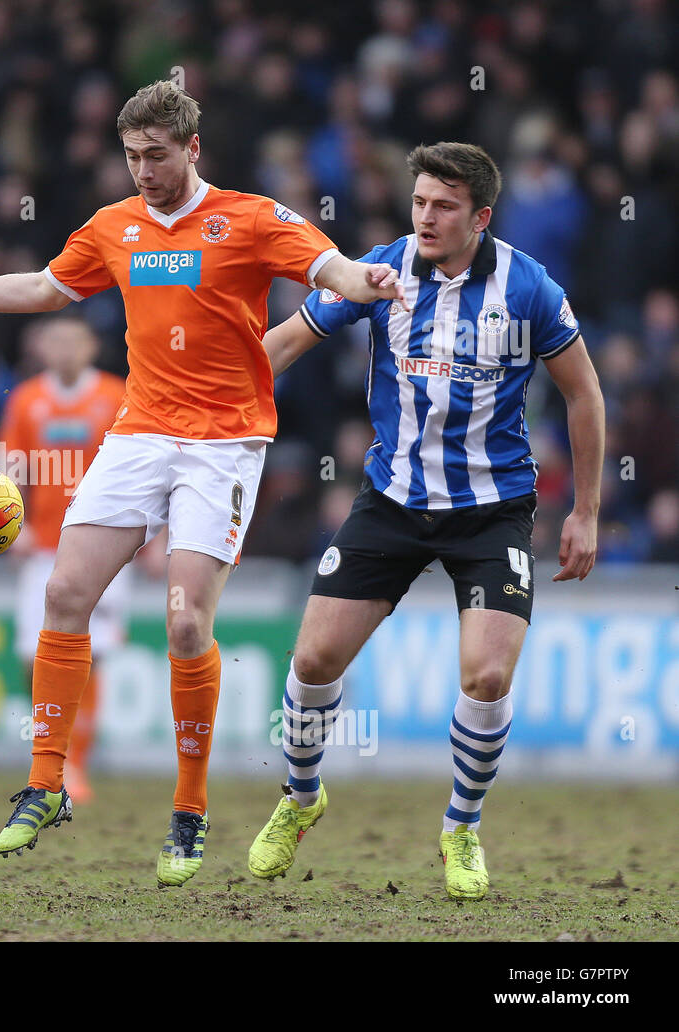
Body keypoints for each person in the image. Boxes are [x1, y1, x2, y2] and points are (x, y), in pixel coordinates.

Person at [0, 80, 407, 886]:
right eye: (131, 157)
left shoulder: (250, 217)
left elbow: (328, 263)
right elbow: (44, 288)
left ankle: (189, 810)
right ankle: (46, 782)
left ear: (192, 149)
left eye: (156, 156)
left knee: (185, 622)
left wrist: (363, 282)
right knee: (63, 595)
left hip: (225, 442)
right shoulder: (112, 226)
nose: (142, 172)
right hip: (137, 432)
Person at [249, 142, 604, 900]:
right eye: (418, 202)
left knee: (485, 674)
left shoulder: (530, 288)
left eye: (443, 206)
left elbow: (585, 393)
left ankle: (462, 826)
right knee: (312, 662)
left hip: (492, 511)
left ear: (480, 217)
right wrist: (205, 404)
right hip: (393, 501)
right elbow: (285, 343)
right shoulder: (382, 269)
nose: (426, 218)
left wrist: (587, 511)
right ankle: (301, 797)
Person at [0, 315, 128, 803]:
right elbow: (9, 465)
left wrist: (152, 537)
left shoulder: (117, 396)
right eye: (55, 340)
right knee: (35, 658)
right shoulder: (27, 399)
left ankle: (74, 764)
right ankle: (50, 752)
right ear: (41, 348)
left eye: (74, 338)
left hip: (103, 544)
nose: (65, 349)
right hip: (44, 548)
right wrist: (13, 527)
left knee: (91, 657)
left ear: (92, 344)